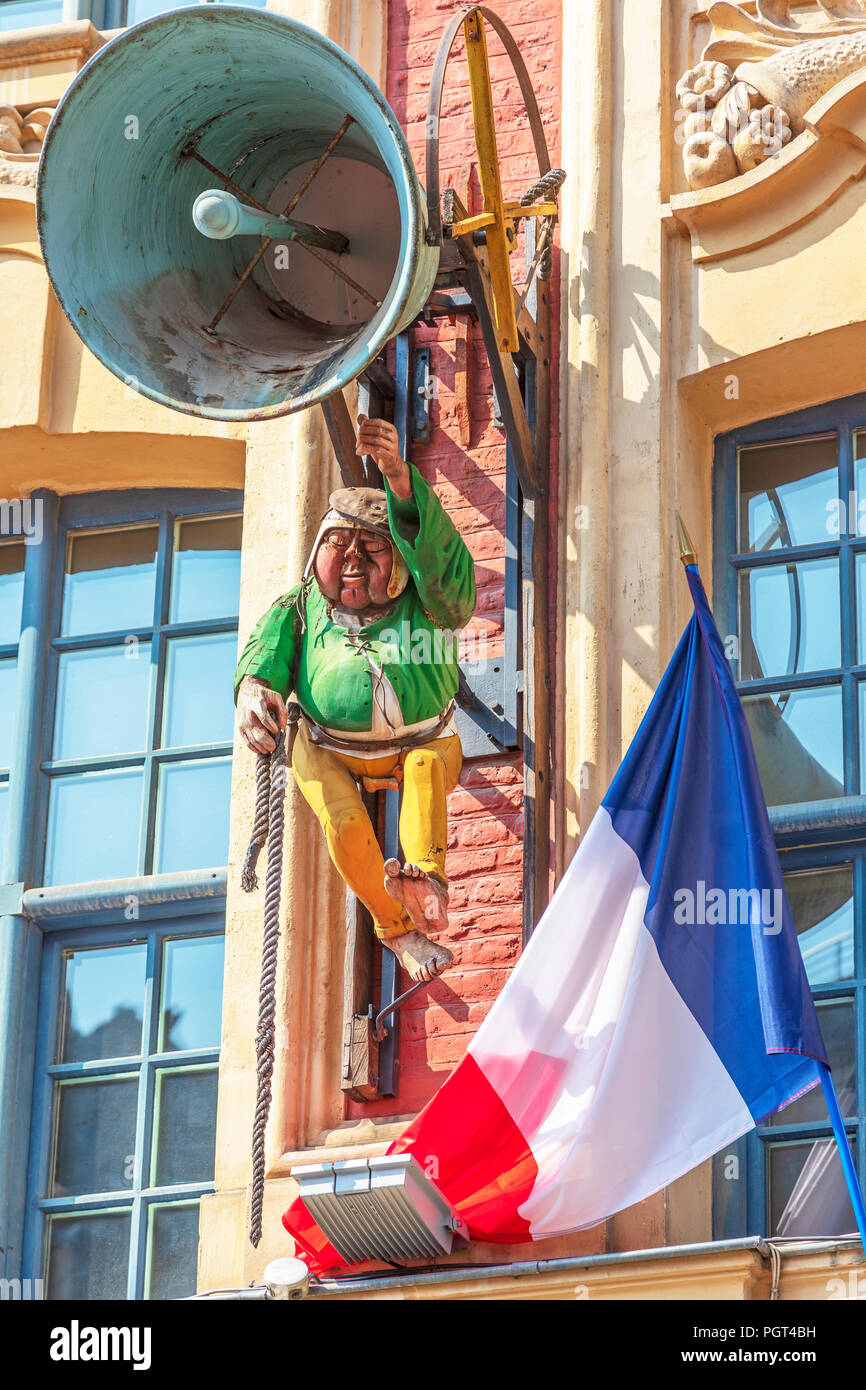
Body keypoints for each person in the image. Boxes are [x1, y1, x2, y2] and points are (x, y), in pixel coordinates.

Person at [235, 415, 477, 983]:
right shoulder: (300, 607)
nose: (351, 559)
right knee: (344, 824)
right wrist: (253, 692)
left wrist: (400, 483)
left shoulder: (426, 601)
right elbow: (263, 661)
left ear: (398, 561)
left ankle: (427, 883)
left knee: (422, 771)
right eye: (337, 545)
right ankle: (397, 929)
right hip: (326, 746)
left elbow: (452, 583)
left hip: (423, 738)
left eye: (371, 547)